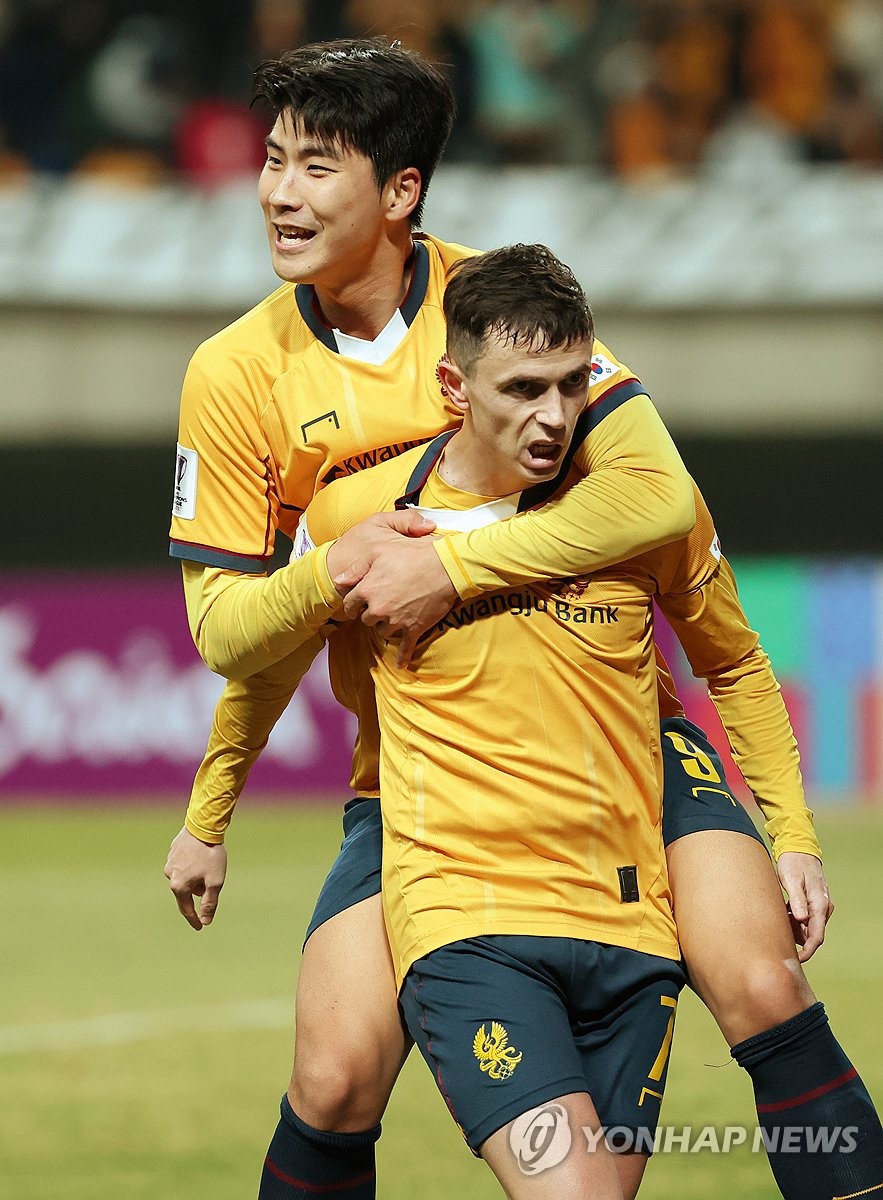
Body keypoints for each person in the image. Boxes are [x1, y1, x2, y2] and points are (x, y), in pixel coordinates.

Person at [161, 38, 882, 1200]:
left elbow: (656, 500)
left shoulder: (510, 316)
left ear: (400, 191)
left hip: (614, 737)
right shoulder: (238, 373)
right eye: (273, 161)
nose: (278, 194)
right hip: (420, 762)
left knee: (761, 981)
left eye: (315, 166)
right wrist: (325, 581)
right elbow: (230, 636)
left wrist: (454, 566)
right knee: (337, 1074)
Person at [292, 242, 686, 1198]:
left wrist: (792, 837)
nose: (552, 416)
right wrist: (208, 812)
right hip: (467, 919)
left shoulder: (626, 511)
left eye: (569, 386)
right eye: (520, 388)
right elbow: (243, 653)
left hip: (627, 927)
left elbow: (735, 655)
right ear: (453, 386)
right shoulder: (369, 512)